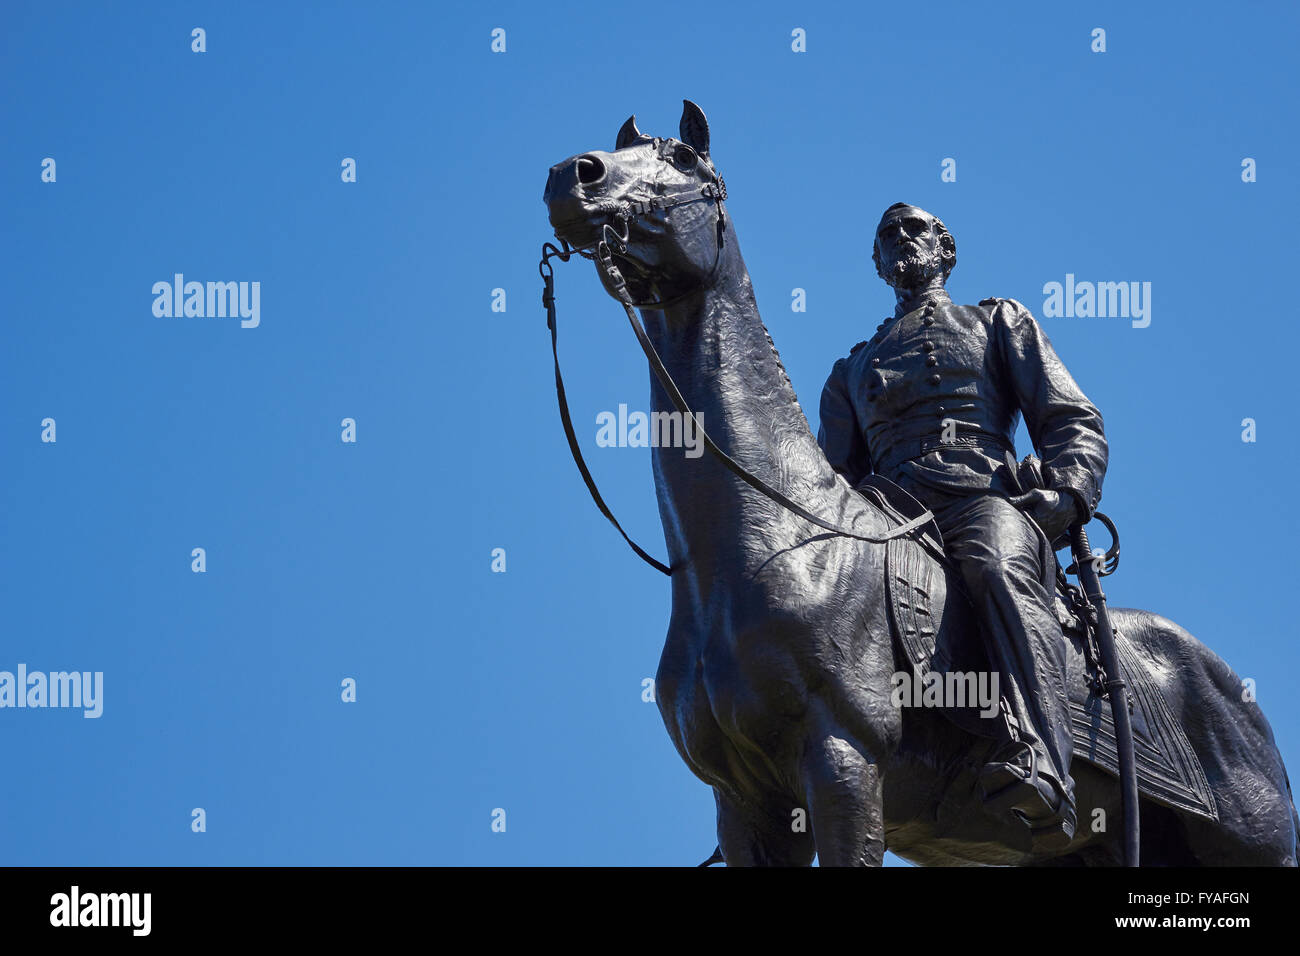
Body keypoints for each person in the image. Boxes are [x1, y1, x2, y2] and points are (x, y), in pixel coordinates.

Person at [816, 203, 1108, 848]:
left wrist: (1068, 491)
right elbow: (831, 482)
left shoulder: (997, 321)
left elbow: (1070, 419)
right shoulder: (848, 372)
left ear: (946, 249)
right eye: (886, 236)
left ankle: (1042, 760)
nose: (899, 240)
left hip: (980, 495)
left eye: (913, 229)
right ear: (876, 263)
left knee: (994, 570)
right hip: (887, 512)